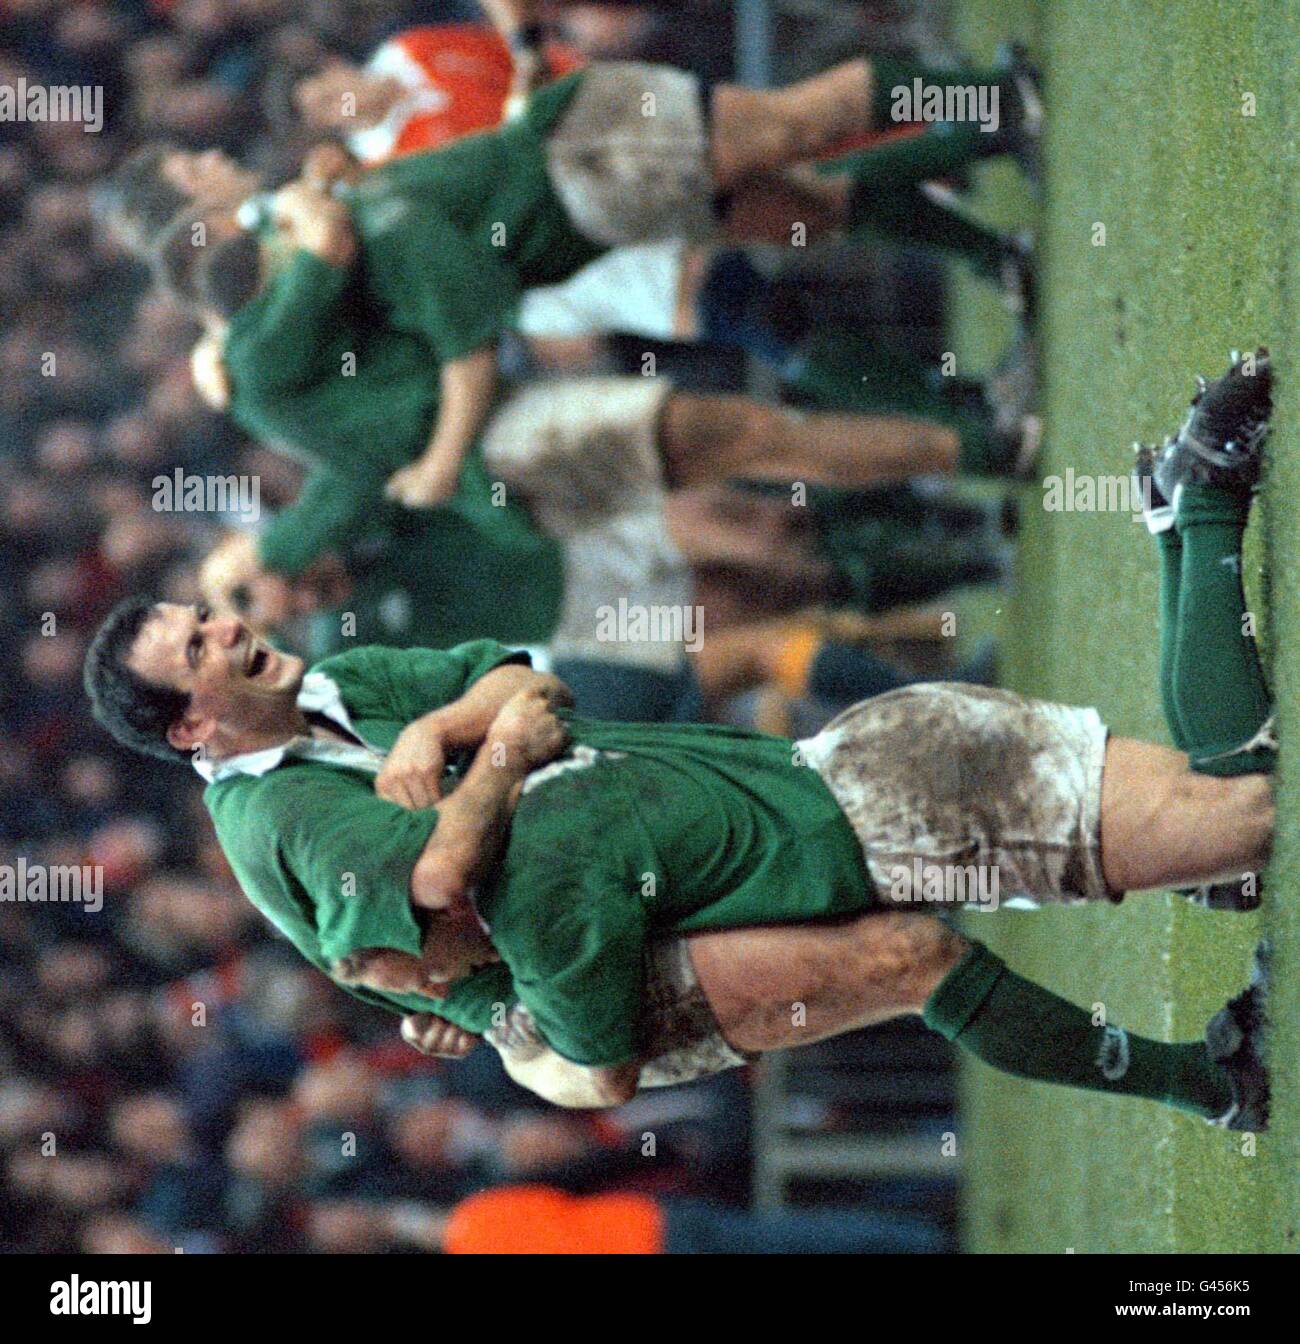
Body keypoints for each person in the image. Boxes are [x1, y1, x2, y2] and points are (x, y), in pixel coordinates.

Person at [85, 355, 1274, 1132]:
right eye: (197, 650)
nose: (228, 630)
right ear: (190, 728)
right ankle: (1196, 510)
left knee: (1157, 820)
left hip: (701, 806)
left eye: (207, 616)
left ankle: (1181, 524)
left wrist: (458, 729)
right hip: (598, 987)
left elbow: (511, 677)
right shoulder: (276, 816)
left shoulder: (339, 678)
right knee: (908, 952)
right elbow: (441, 889)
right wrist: (497, 765)